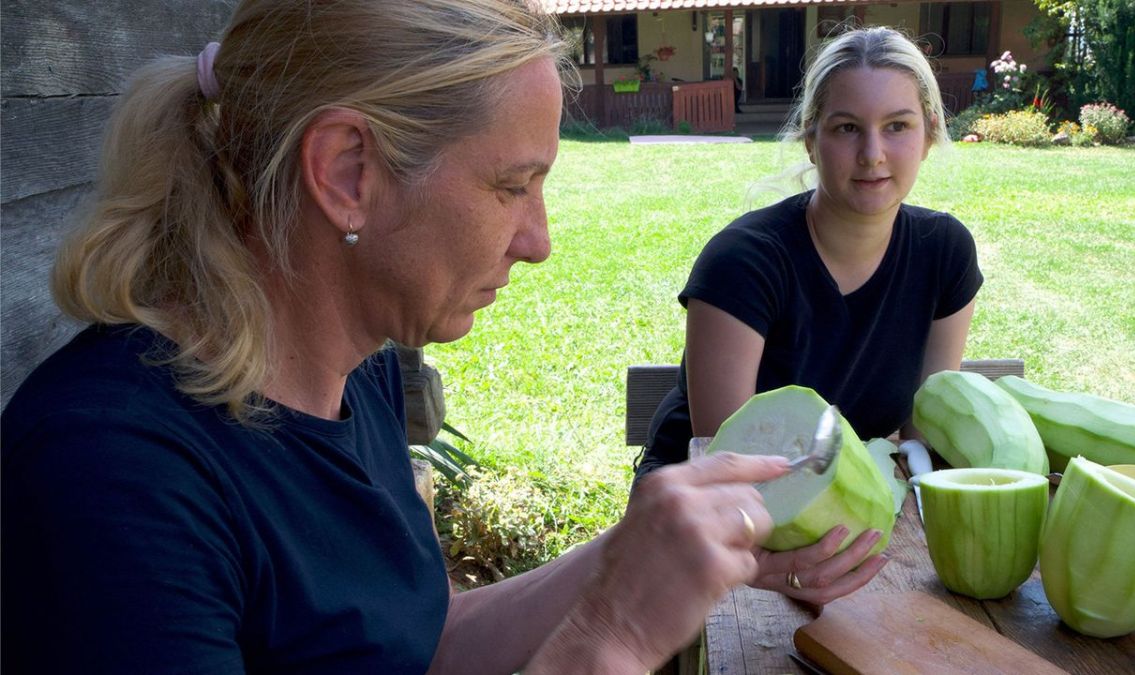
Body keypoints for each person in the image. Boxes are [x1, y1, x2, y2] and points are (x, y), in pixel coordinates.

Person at [0, 2, 864, 673]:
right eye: (512, 184)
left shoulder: (359, 373)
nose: (539, 239)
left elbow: (428, 643)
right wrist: (610, 638)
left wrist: (646, 549)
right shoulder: (109, 476)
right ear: (348, 172)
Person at [634, 26, 982, 599]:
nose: (872, 154)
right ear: (810, 139)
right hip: (702, 524)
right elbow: (726, 463)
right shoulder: (743, 261)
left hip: (842, 514)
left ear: (928, 136)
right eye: (847, 128)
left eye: (897, 126)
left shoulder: (944, 253)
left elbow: (922, 437)